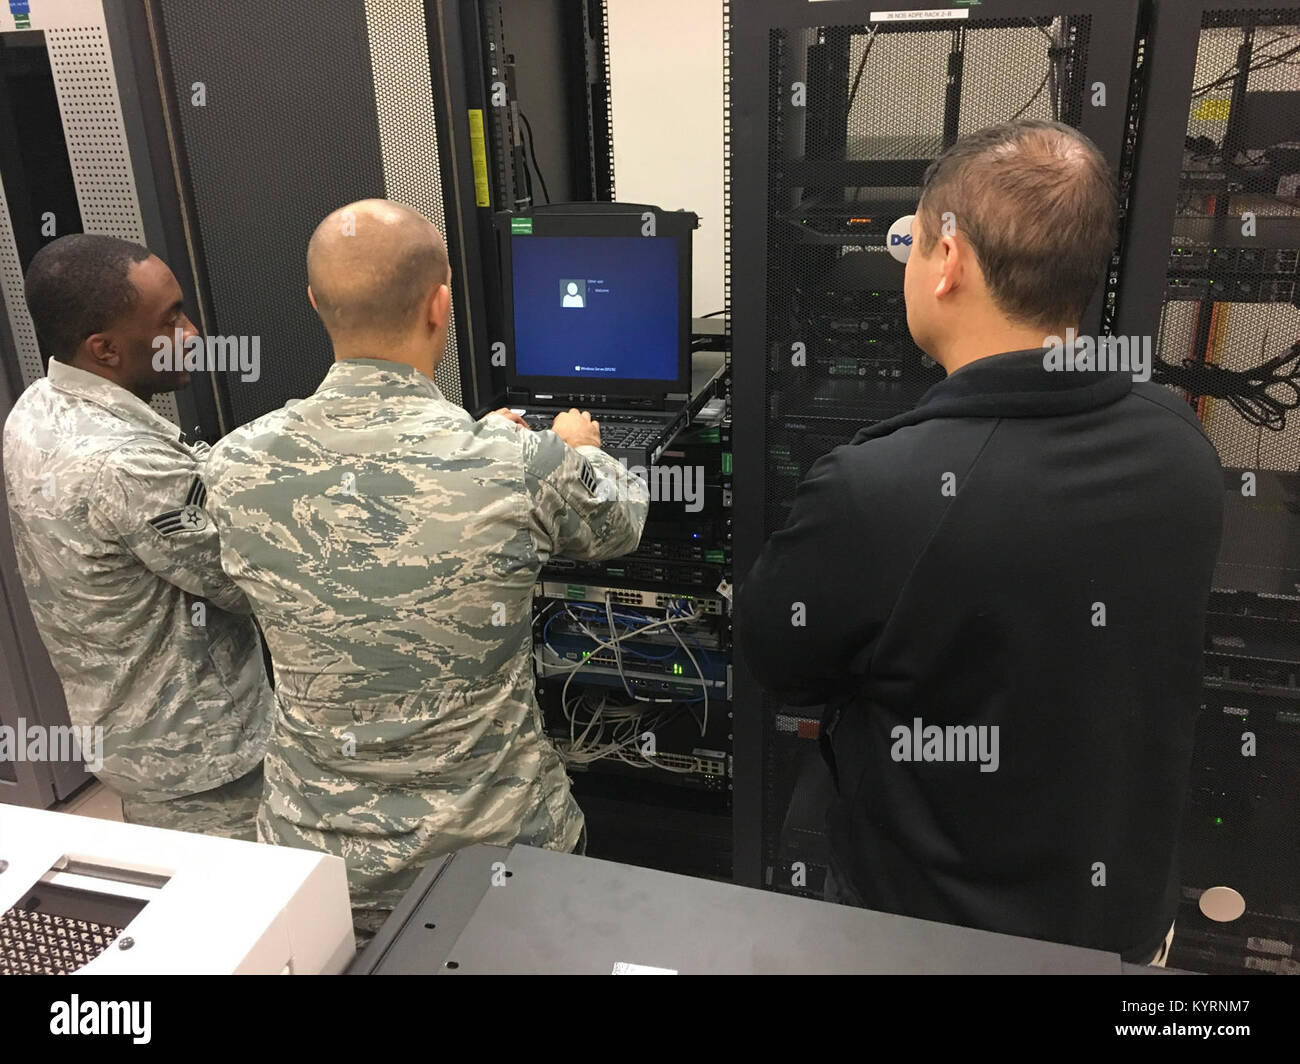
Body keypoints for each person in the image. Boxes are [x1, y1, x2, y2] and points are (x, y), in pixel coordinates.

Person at [737, 120, 1224, 965]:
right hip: (1122, 933)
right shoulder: (1182, 447)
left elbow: (778, 661)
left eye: (914, 246)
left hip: (926, 939)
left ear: (950, 261)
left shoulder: (878, 490)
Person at [202, 199, 648, 944]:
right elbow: (622, 522)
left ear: (315, 304)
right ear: (441, 303)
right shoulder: (521, 464)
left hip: (316, 857)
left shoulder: (234, 464)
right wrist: (576, 448)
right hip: (493, 855)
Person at [3, 234, 273, 838]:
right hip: (202, 758)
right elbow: (249, 581)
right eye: (170, 320)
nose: (193, 334)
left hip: (131, 734)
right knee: (254, 916)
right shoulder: (124, 465)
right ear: (104, 348)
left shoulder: (38, 405)